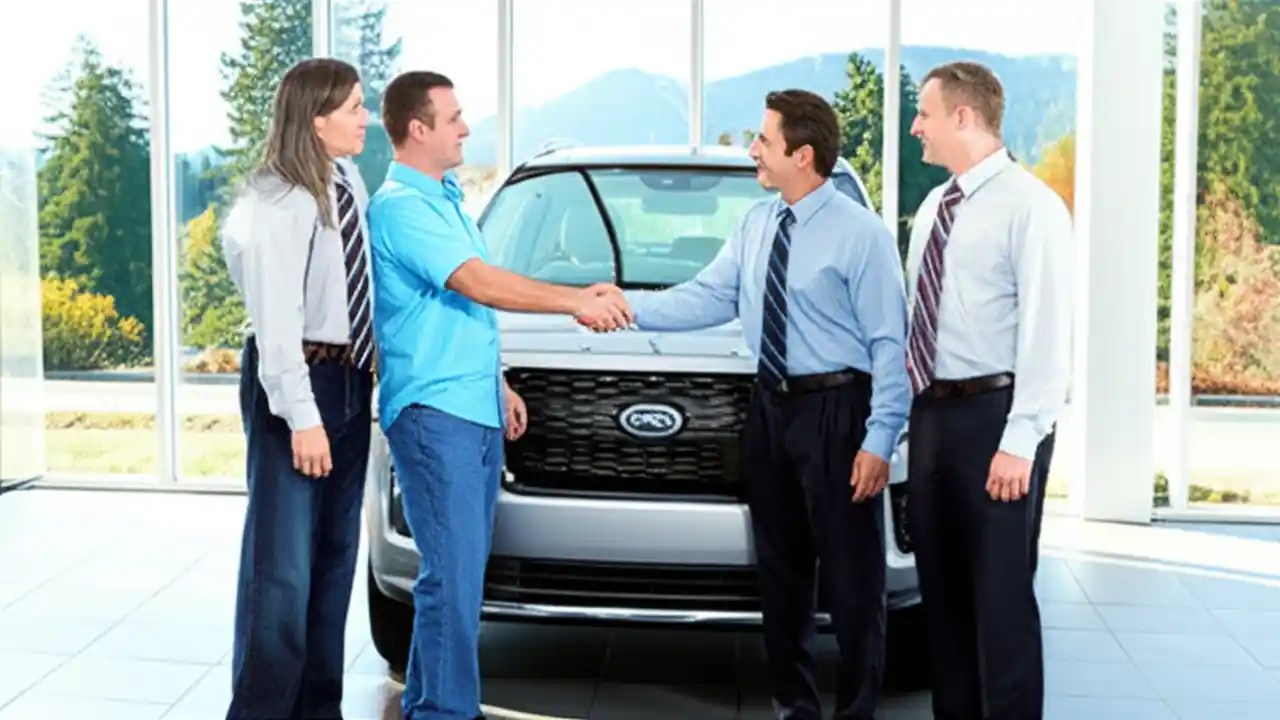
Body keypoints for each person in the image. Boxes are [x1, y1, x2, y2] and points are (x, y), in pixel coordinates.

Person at [624, 89, 911, 720]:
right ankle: (794, 710)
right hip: (770, 410)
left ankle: (857, 711)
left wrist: (879, 439)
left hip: (838, 413)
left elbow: (893, 344)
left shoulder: (862, 236)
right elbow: (706, 297)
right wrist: (625, 307)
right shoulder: (757, 224)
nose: (752, 148)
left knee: (852, 582)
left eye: (763, 138)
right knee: (781, 577)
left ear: (802, 155)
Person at [365, 70, 633, 720]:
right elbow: (477, 283)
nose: (465, 127)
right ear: (418, 129)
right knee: (452, 578)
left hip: (470, 405)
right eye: (453, 117)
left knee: (454, 577)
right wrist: (576, 300)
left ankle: (431, 706)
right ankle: (448, 713)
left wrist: (499, 383)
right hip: (435, 414)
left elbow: (457, 313)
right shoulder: (402, 207)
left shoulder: (446, 198)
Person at [904, 60, 1073, 720]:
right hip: (934, 419)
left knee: (999, 604)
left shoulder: (1031, 207)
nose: (916, 126)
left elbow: (1048, 330)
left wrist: (1021, 438)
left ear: (963, 117)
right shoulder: (933, 207)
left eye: (924, 113)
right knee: (940, 603)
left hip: (996, 421)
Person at [219, 57, 375, 719]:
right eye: (355, 108)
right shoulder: (277, 199)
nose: (366, 119)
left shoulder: (349, 181)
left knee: (334, 562)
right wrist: (301, 414)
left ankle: (318, 711)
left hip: (347, 381)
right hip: (297, 385)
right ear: (316, 120)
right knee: (281, 575)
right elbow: (274, 316)